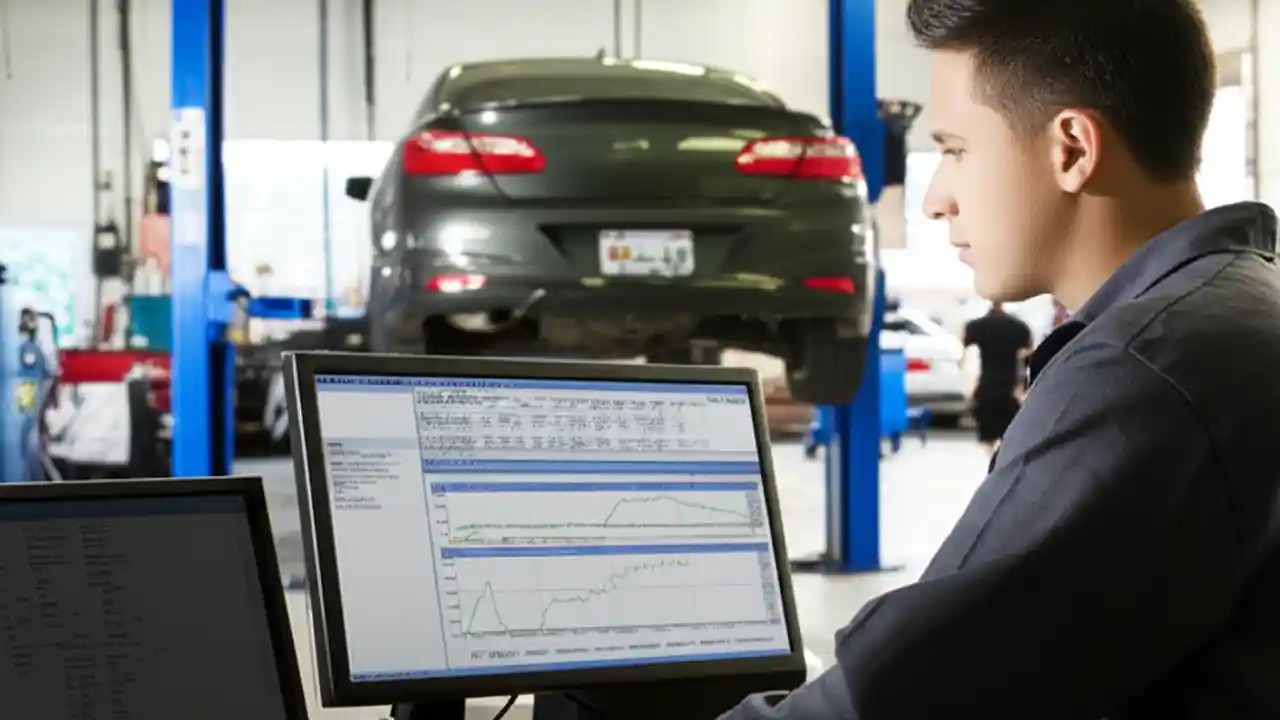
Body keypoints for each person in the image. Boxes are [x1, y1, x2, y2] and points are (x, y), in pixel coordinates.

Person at [719, 0, 1280, 718]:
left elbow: (906, 695)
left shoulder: (1144, 369)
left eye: (953, 150)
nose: (934, 200)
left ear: (1072, 148)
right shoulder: (1238, 306)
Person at [962, 302, 1033, 454]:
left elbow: (967, 353)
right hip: (1009, 387)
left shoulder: (976, 326)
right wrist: (1023, 386)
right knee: (1008, 432)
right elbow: (1027, 358)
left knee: (988, 435)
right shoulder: (1019, 327)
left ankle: (993, 461)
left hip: (987, 385)